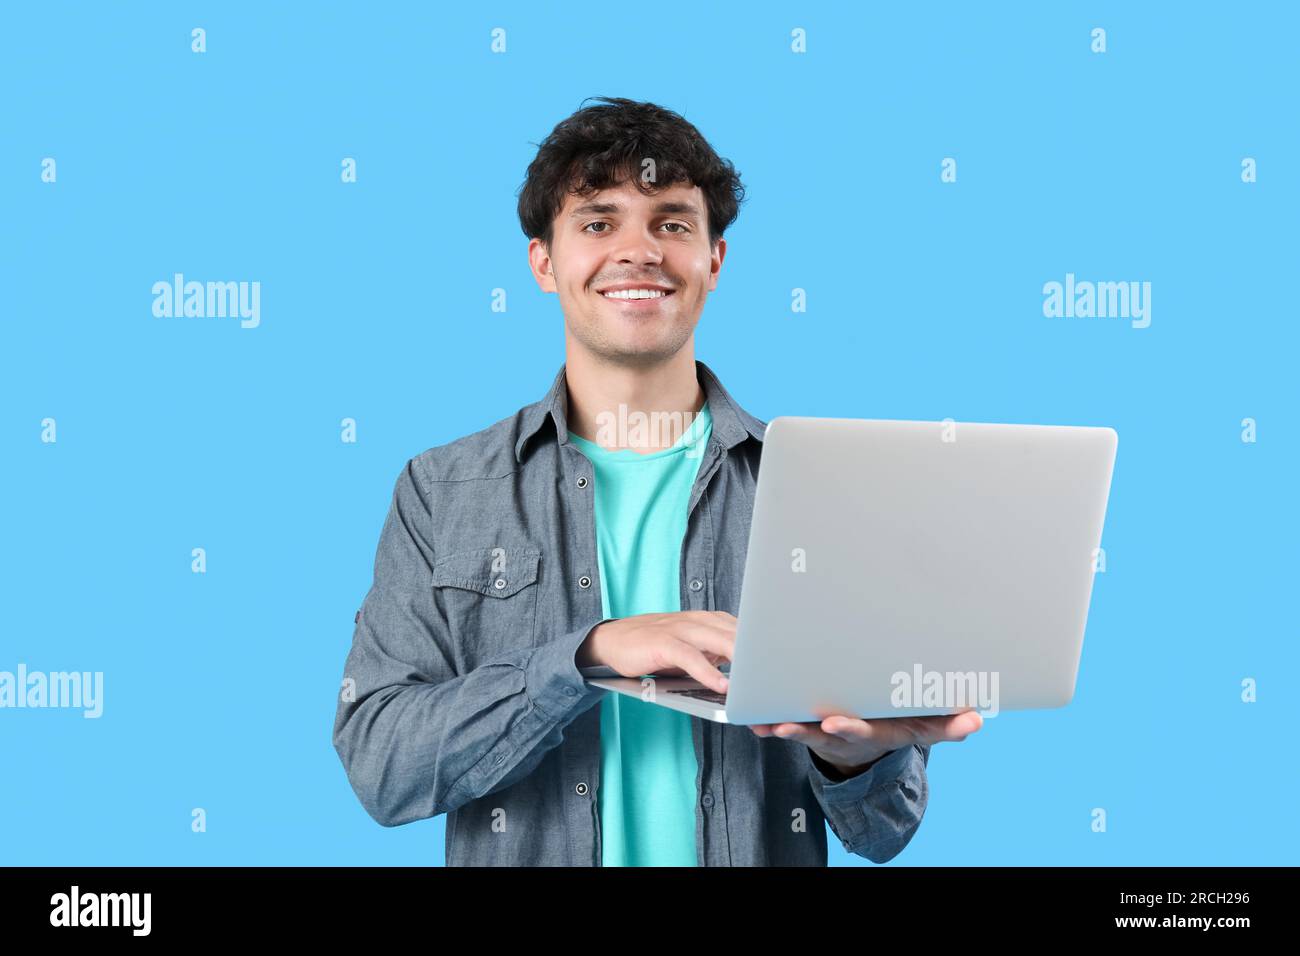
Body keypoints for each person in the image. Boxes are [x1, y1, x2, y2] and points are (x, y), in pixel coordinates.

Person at [332, 96, 982, 866]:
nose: (638, 251)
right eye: (598, 223)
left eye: (672, 223)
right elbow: (380, 763)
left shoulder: (816, 492)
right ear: (543, 262)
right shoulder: (443, 490)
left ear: (714, 261)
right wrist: (586, 656)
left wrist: (855, 757)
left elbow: (884, 829)